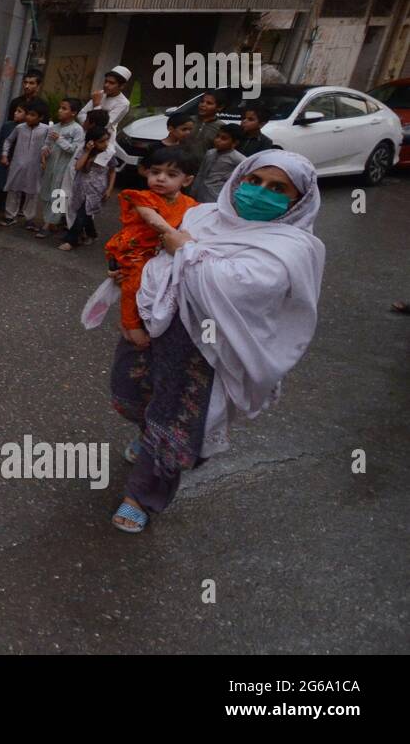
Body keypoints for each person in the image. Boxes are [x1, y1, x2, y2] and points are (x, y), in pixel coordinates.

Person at [108, 150, 326, 533]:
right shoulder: (201, 215)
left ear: (298, 201)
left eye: (277, 188)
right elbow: (153, 255)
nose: (260, 192)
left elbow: (241, 288)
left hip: (205, 351)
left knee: (175, 420)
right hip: (156, 329)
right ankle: (145, 439)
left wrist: (186, 251)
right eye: (254, 182)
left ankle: (140, 496)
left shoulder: (292, 247)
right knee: (132, 392)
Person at [103, 145, 200, 349]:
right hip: (136, 250)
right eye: (155, 172)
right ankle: (130, 325)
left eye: (171, 174)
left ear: (187, 180)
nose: (161, 178)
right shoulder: (142, 197)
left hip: (164, 252)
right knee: (134, 283)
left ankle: (153, 321)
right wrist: (180, 239)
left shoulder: (191, 204)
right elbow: (153, 220)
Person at [33, 98, 85, 238]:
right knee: (47, 192)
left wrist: (60, 140)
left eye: (64, 108)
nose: (60, 111)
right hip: (50, 166)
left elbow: (75, 149)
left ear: (73, 112)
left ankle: (47, 225)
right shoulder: (54, 127)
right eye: (60, 108)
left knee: (59, 195)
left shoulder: (77, 129)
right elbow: (47, 143)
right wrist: (45, 150)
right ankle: (52, 222)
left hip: (65, 168)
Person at [59, 125, 117, 251]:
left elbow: (112, 171)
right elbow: (78, 167)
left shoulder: (109, 154)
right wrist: (87, 151)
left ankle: (71, 240)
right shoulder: (84, 151)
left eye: (107, 140)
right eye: (101, 141)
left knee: (82, 213)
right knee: (85, 213)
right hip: (80, 187)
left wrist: (109, 189)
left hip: (96, 190)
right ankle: (91, 233)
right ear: (92, 142)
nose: (105, 144)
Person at [0, 99, 50, 228]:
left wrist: (45, 157)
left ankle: (29, 219)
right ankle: (10, 216)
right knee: (13, 191)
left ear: (41, 117)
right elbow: (8, 141)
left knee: (32, 194)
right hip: (17, 165)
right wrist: (5, 155)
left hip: (35, 167)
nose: (28, 117)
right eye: (27, 114)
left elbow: (48, 146)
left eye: (33, 115)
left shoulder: (46, 130)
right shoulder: (20, 128)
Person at [191, 124, 244, 203]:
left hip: (217, 196)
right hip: (200, 193)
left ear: (235, 143)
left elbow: (241, 180)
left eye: (224, 139)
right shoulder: (210, 153)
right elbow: (201, 173)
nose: (217, 140)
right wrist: (193, 191)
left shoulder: (238, 159)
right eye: (217, 136)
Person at [185, 91, 225, 157]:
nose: (203, 105)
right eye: (202, 102)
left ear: (219, 107)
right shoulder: (187, 120)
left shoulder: (221, 127)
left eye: (209, 103)